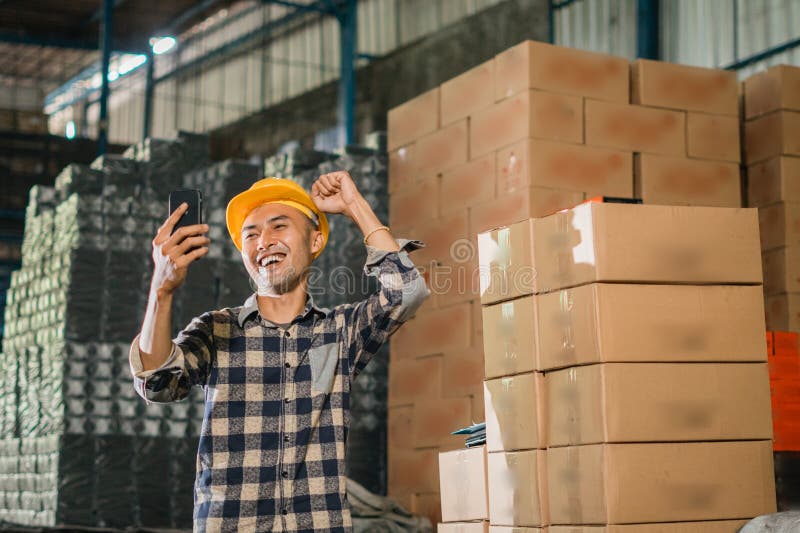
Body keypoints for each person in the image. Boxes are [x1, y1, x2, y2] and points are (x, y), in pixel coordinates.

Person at [129, 171, 429, 532]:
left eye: (278, 227)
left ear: (315, 240)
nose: (263, 242)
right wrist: (160, 292)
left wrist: (354, 206)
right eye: (250, 235)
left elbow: (406, 292)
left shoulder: (339, 333)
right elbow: (158, 383)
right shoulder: (217, 329)